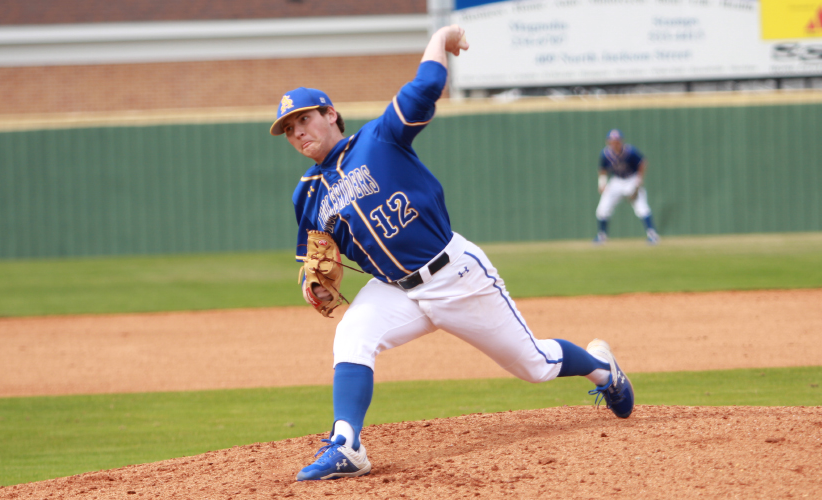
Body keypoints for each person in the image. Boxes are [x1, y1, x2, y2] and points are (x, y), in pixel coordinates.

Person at [271, 25, 634, 482]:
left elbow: (425, 87)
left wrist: (440, 37)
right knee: (352, 335)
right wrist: (318, 287)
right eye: (289, 129)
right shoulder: (306, 194)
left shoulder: (379, 139)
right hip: (394, 288)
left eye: (304, 119)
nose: (298, 132)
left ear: (330, 114)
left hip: (454, 275)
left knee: (535, 366)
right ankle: (347, 445)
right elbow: (319, 258)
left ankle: (602, 369)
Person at [594, 129, 660, 244]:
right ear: (608, 142)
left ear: (621, 141)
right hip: (616, 181)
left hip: (631, 179)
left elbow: (643, 163)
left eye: (617, 141)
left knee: (642, 207)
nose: (615, 143)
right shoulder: (605, 154)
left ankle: (653, 234)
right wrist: (602, 183)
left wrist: (638, 181)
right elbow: (602, 169)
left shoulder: (630, 152)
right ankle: (602, 235)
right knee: (602, 208)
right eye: (612, 141)